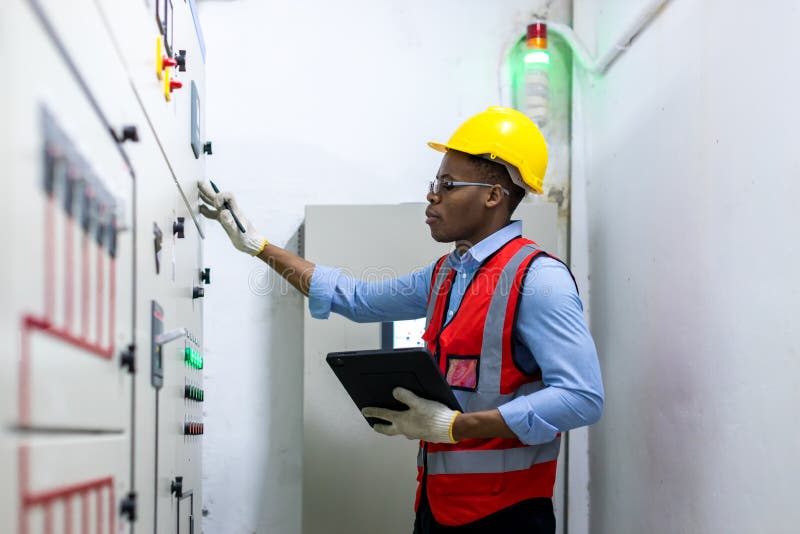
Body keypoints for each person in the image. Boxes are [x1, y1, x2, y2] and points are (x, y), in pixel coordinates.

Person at [198, 106, 604, 533]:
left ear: (493, 195)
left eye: (448, 185)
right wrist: (259, 245)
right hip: (436, 507)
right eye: (435, 183)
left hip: (507, 517)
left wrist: (456, 426)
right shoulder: (446, 274)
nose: (433, 196)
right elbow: (355, 298)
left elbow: (582, 397)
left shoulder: (539, 279)